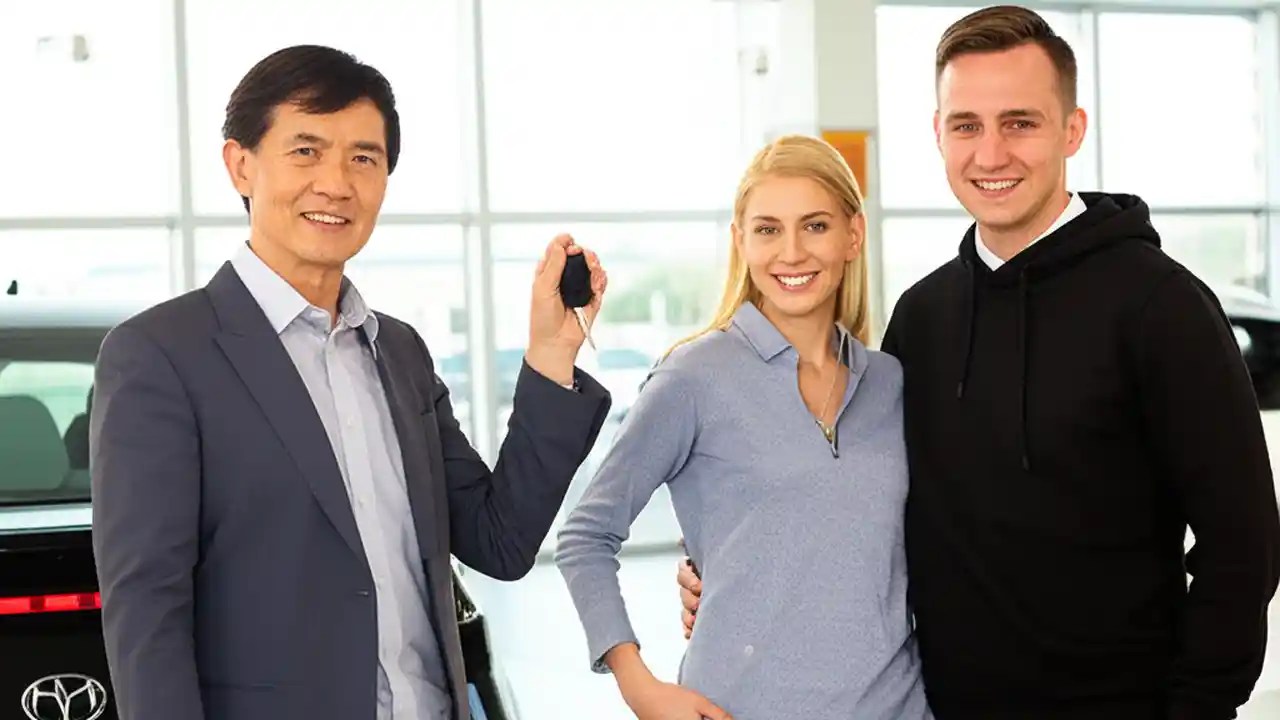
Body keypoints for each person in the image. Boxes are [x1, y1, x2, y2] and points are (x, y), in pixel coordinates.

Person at [680, 6, 1280, 719]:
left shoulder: (1162, 307)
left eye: (1019, 122)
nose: (990, 154)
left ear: (1071, 130)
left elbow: (1241, 545)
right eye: (966, 125)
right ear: (938, 134)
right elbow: (863, 504)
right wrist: (727, 571)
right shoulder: (923, 317)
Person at [90, 45, 612, 720]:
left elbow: (499, 540)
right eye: (305, 151)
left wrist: (549, 358)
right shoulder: (160, 356)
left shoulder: (398, 351)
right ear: (240, 165)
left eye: (364, 158)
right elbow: (147, 616)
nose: (336, 183)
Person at [555, 135, 932, 720]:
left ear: (853, 235)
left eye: (815, 226)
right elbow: (586, 535)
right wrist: (640, 686)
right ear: (740, 240)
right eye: (767, 229)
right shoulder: (694, 376)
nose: (791, 252)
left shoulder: (891, 382)